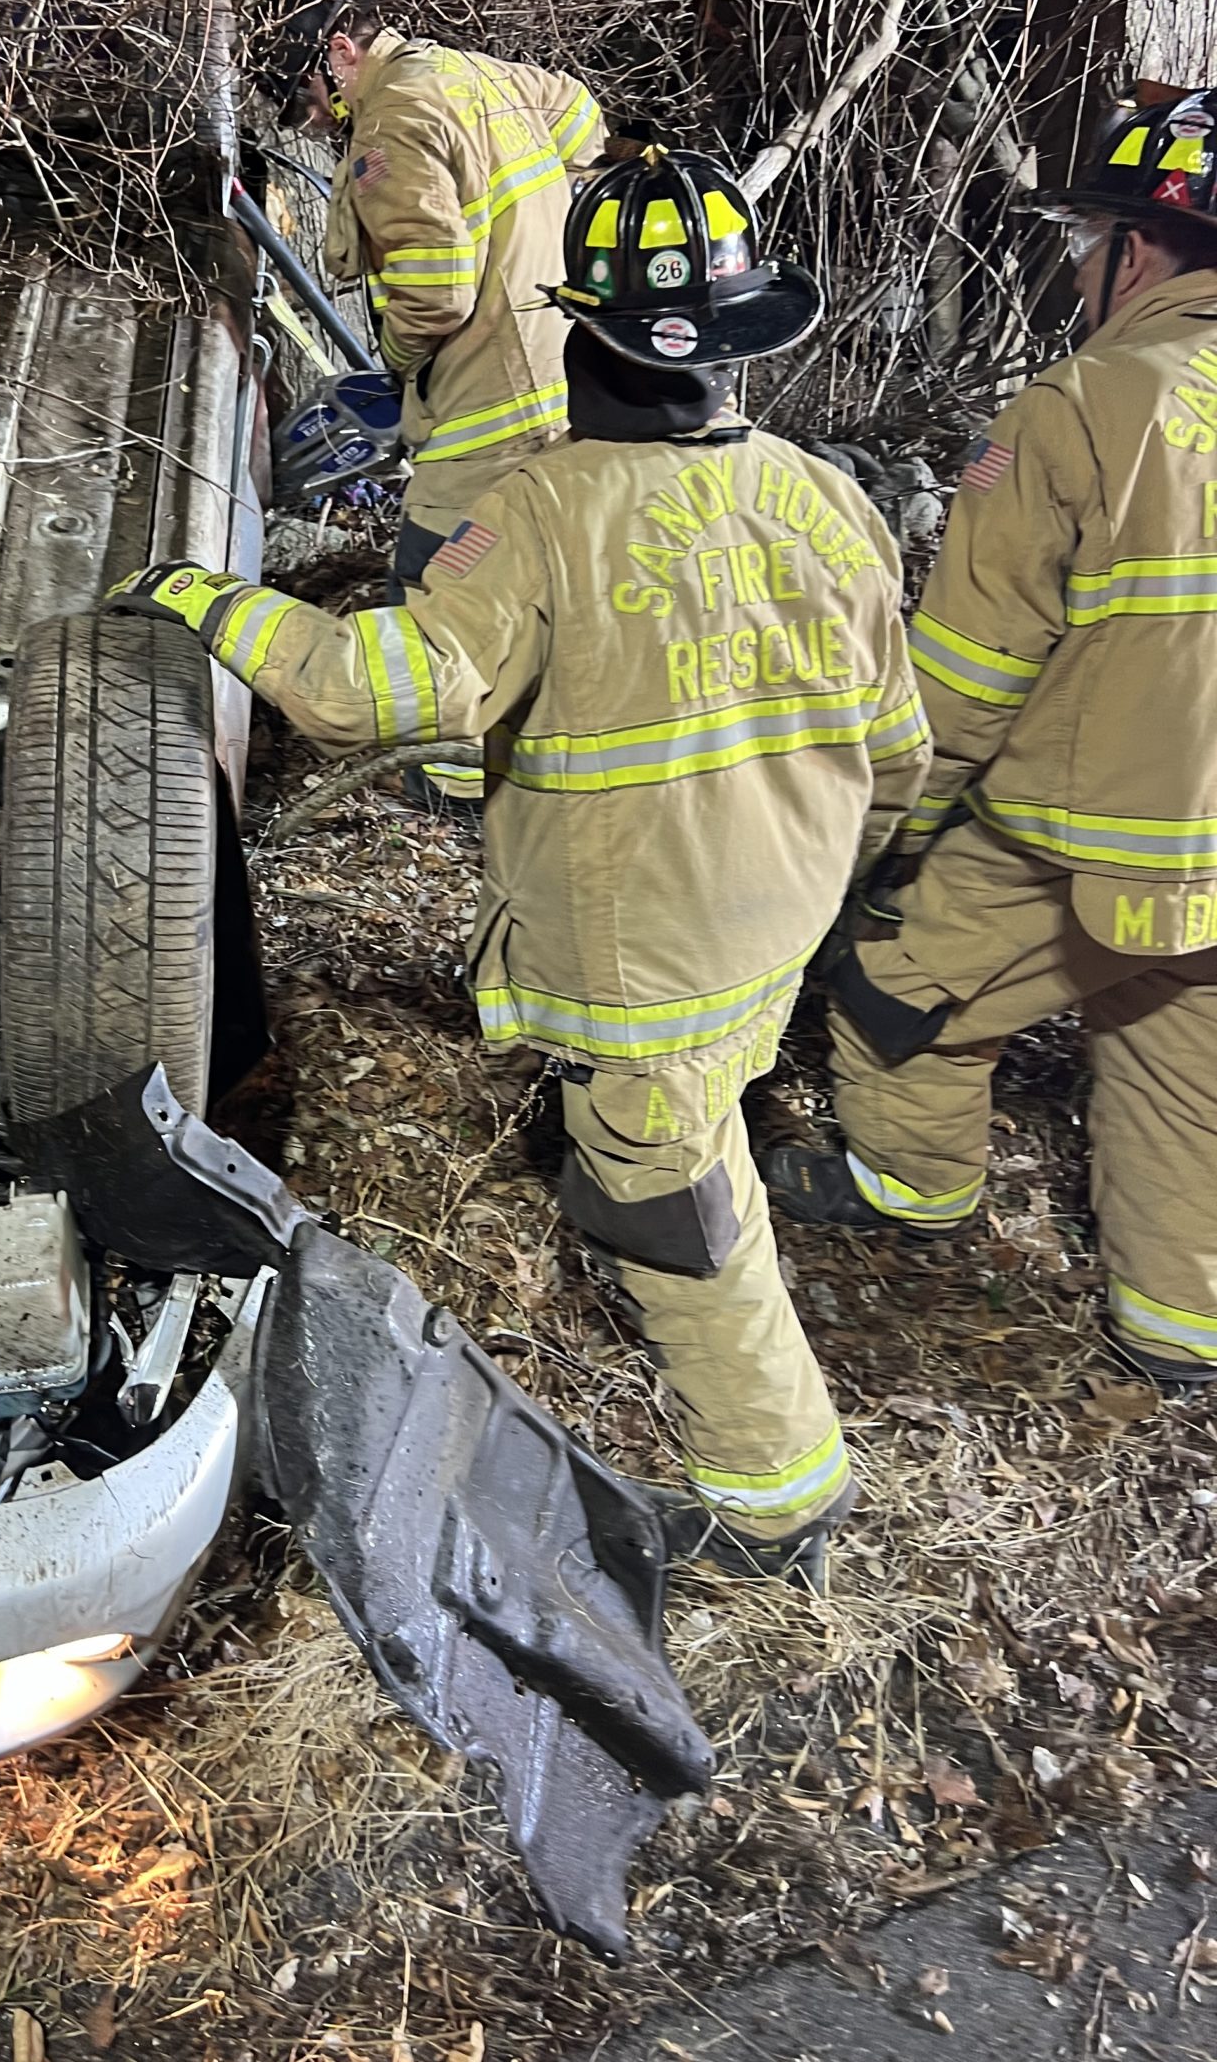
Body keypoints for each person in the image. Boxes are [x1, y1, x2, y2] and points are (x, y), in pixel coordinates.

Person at [113, 146, 930, 1582]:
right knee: (692, 1105)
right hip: (780, 919)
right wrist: (820, 889)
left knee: (669, 1203)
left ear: (580, 331)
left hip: (646, 963)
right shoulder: (827, 498)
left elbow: (382, 687)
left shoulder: (541, 512)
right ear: (738, 344)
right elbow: (900, 753)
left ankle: (778, 1496)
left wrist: (212, 606)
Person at [765, 93, 1217, 1398]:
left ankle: (912, 1187)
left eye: (1092, 246)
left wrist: (881, 829)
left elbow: (962, 677)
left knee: (897, 990)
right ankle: (1180, 1330)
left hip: (1092, 837)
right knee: (1178, 1047)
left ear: (1136, 251)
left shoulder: (1083, 405)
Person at [255, 0, 609, 808]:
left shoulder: (392, 126)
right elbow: (586, 123)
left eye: (305, 95)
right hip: (572, 367)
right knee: (549, 569)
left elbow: (435, 290)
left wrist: (403, 366)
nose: (308, 118)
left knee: (437, 583)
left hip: (493, 398)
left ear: (339, 52)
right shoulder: (473, 73)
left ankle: (447, 789)